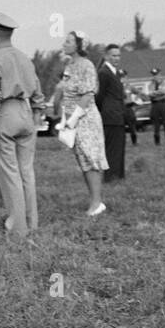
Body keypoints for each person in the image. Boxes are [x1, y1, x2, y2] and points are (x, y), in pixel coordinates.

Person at [0, 11, 44, 241]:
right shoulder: (25, 58)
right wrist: (36, 118)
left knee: (10, 175)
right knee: (27, 172)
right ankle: (32, 223)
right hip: (26, 113)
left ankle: (18, 229)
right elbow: (38, 93)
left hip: (5, 114)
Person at [59, 31, 108, 216]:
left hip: (86, 118)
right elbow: (66, 93)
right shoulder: (69, 65)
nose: (64, 43)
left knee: (91, 157)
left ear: (79, 45)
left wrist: (73, 119)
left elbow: (88, 95)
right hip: (73, 118)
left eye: (69, 41)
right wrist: (65, 119)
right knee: (82, 159)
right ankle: (94, 200)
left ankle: (97, 203)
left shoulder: (86, 65)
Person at [96, 43, 127, 182]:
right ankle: (111, 176)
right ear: (106, 56)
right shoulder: (104, 73)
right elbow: (100, 95)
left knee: (118, 145)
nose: (116, 58)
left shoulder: (114, 72)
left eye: (118, 55)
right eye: (113, 55)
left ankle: (118, 174)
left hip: (117, 114)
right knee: (112, 147)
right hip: (109, 115)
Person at [147, 69, 165, 144]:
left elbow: (163, 91)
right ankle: (157, 141)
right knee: (156, 123)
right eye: (154, 75)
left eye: (156, 75)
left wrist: (154, 93)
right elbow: (150, 94)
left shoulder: (163, 83)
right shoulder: (150, 84)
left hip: (163, 104)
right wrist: (157, 93)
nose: (155, 77)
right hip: (155, 105)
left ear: (160, 75)